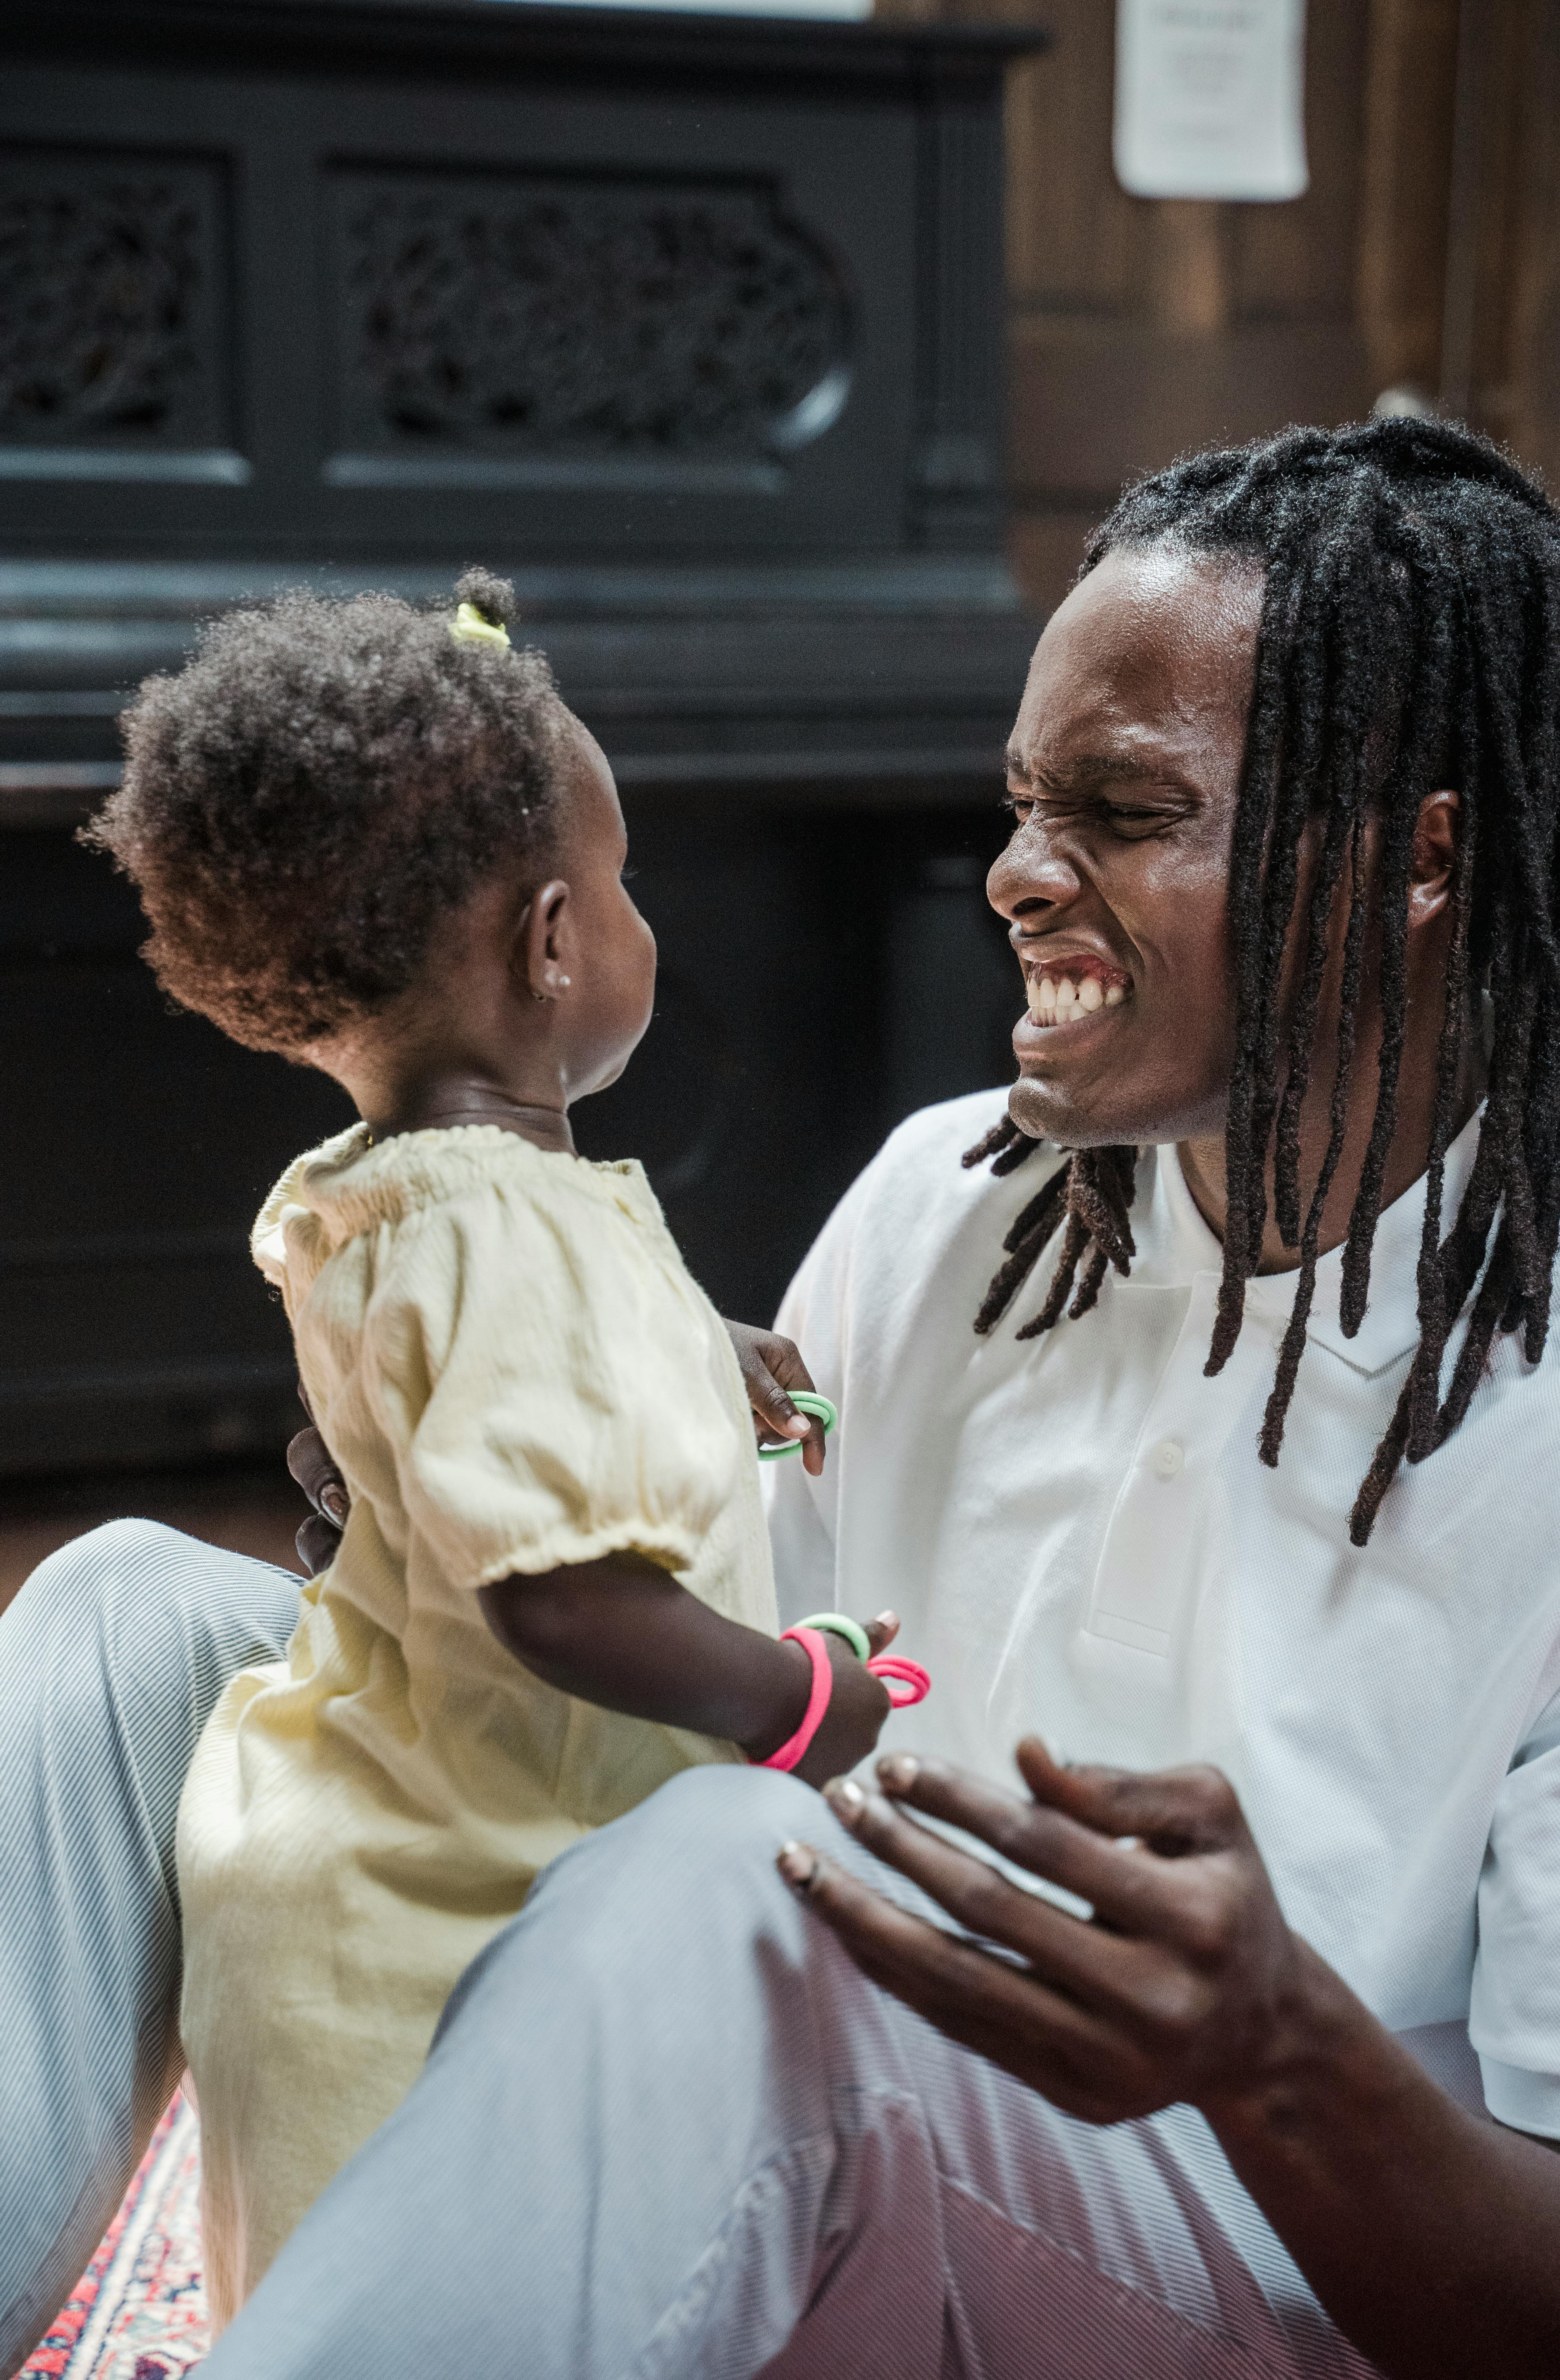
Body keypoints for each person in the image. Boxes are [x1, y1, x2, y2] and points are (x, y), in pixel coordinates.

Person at [4, 417, 1560, 2378]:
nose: (1019, 874)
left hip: (1236, 2237)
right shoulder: (953, 1201)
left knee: (721, 1891)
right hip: (818, 2068)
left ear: (1425, 855)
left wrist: (1282, 2056)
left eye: (1122, 805)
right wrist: (437, 1529)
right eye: (1022, 802)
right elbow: (687, 1657)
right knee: (133, 1619)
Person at [73, 570, 897, 2330]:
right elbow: (565, 1603)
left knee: (309, 2285)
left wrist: (697, 1358)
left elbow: (469, 1403)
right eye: (623, 886)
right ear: (550, 943)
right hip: (458, 1914)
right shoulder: (509, 1227)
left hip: (339, 1863)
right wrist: (801, 1699)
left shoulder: (391, 1198)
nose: (635, 923)